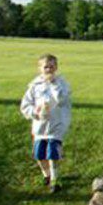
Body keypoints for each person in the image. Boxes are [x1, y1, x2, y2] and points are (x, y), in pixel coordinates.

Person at [19, 54, 72, 194]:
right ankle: (46, 175)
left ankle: (55, 179)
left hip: (56, 125)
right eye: (45, 67)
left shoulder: (62, 84)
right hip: (39, 126)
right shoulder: (34, 86)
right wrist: (35, 113)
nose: (49, 69)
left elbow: (61, 99)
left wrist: (53, 84)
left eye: (52, 66)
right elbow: (25, 104)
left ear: (56, 67)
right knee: (39, 154)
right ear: (40, 69)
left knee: (52, 153)